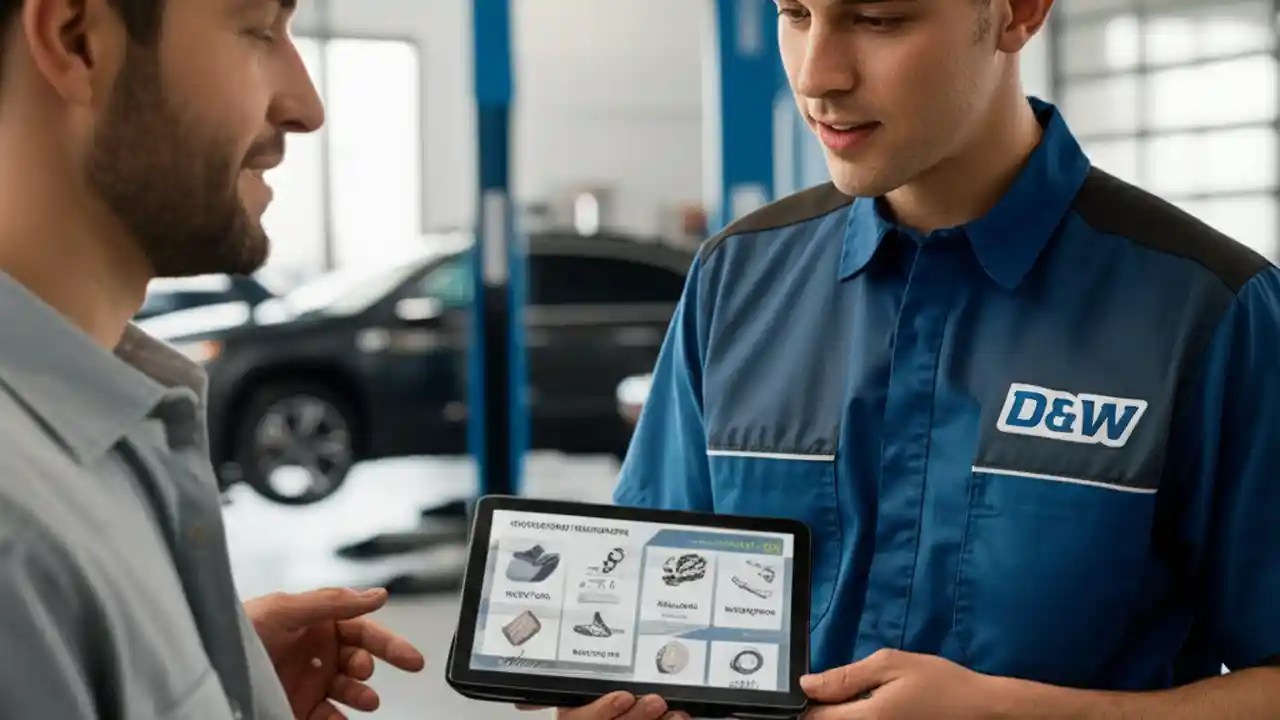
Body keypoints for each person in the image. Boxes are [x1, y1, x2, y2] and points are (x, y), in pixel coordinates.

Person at [544, 0, 1280, 718]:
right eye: (795, 14)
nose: (816, 75)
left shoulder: (1210, 310)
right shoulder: (737, 281)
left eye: (877, 20)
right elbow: (653, 626)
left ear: (1019, 13)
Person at [0, 0, 426, 717]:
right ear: (78, 40)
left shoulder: (109, 429)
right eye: (260, 29)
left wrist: (220, 688)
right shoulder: (19, 539)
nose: (306, 106)